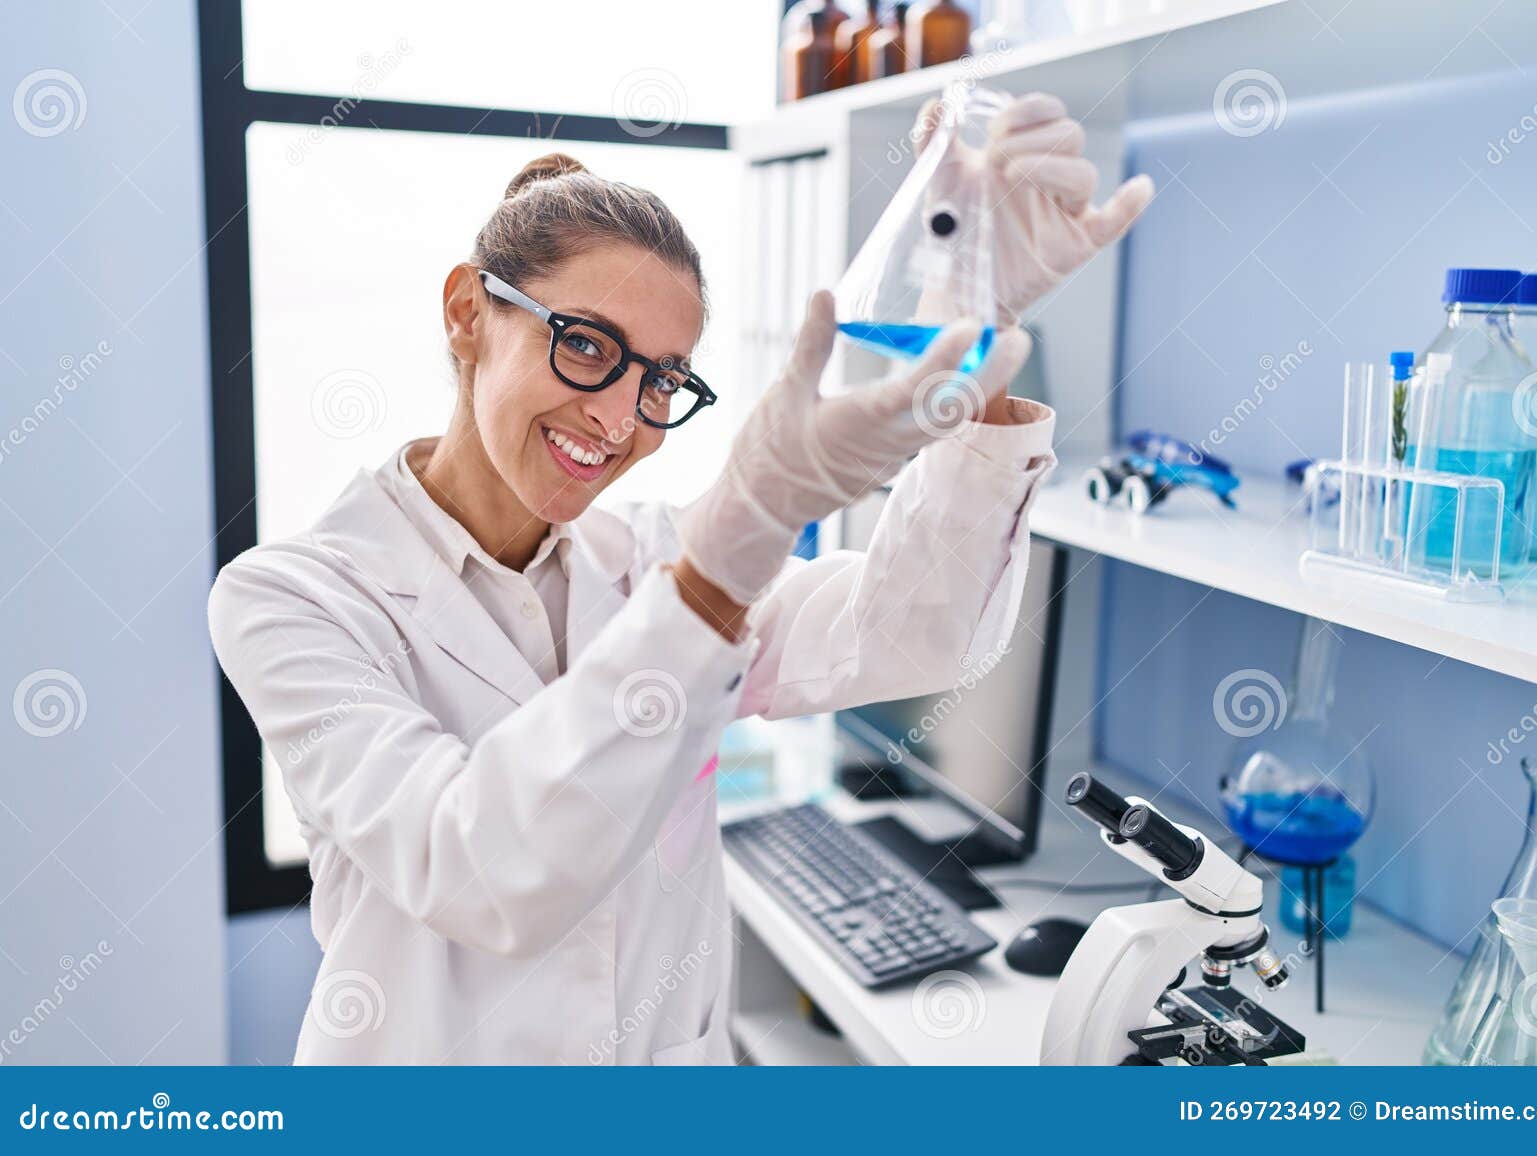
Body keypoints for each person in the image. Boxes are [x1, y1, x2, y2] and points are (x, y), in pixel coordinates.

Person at [209, 93, 1152, 1064]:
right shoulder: (293, 599)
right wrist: (718, 569)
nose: (621, 420)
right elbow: (478, 870)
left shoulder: (652, 553)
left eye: (661, 379)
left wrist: (979, 333)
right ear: (466, 313)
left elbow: (914, 634)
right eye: (586, 345)